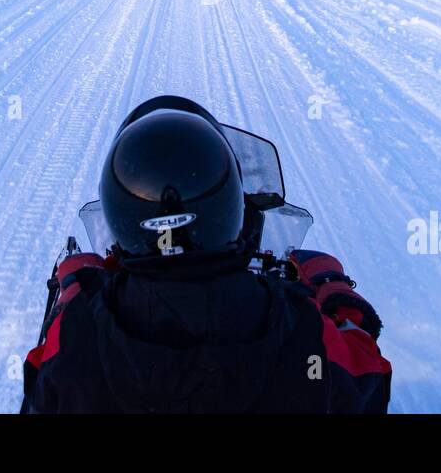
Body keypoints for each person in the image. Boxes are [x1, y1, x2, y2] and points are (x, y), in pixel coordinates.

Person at [21, 96, 391, 413]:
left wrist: (73, 293)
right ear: (231, 206)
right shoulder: (304, 335)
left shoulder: (74, 344)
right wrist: (336, 292)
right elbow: (369, 377)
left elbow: (40, 392)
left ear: (120, 214)